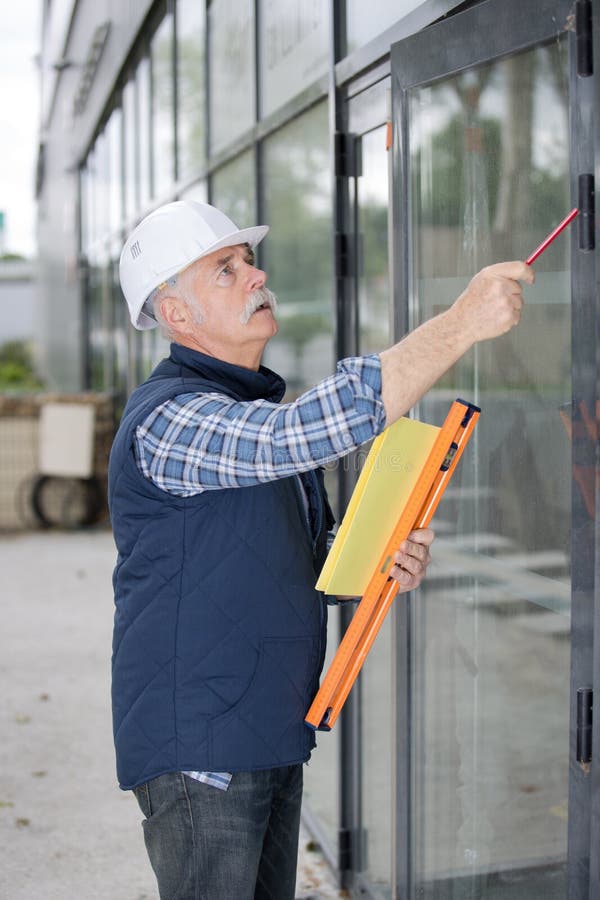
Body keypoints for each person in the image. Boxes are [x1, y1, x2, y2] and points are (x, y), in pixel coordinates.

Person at [109, 199, 533, 900]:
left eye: (247, 260)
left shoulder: (251, 411)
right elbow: (306, 432)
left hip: (265, 727)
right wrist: (460, 324)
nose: (256, 275)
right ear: (176, 315)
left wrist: (376, 559)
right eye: (226, 268)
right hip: (201, 749)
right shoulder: (171, 420)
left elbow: (303, 556)